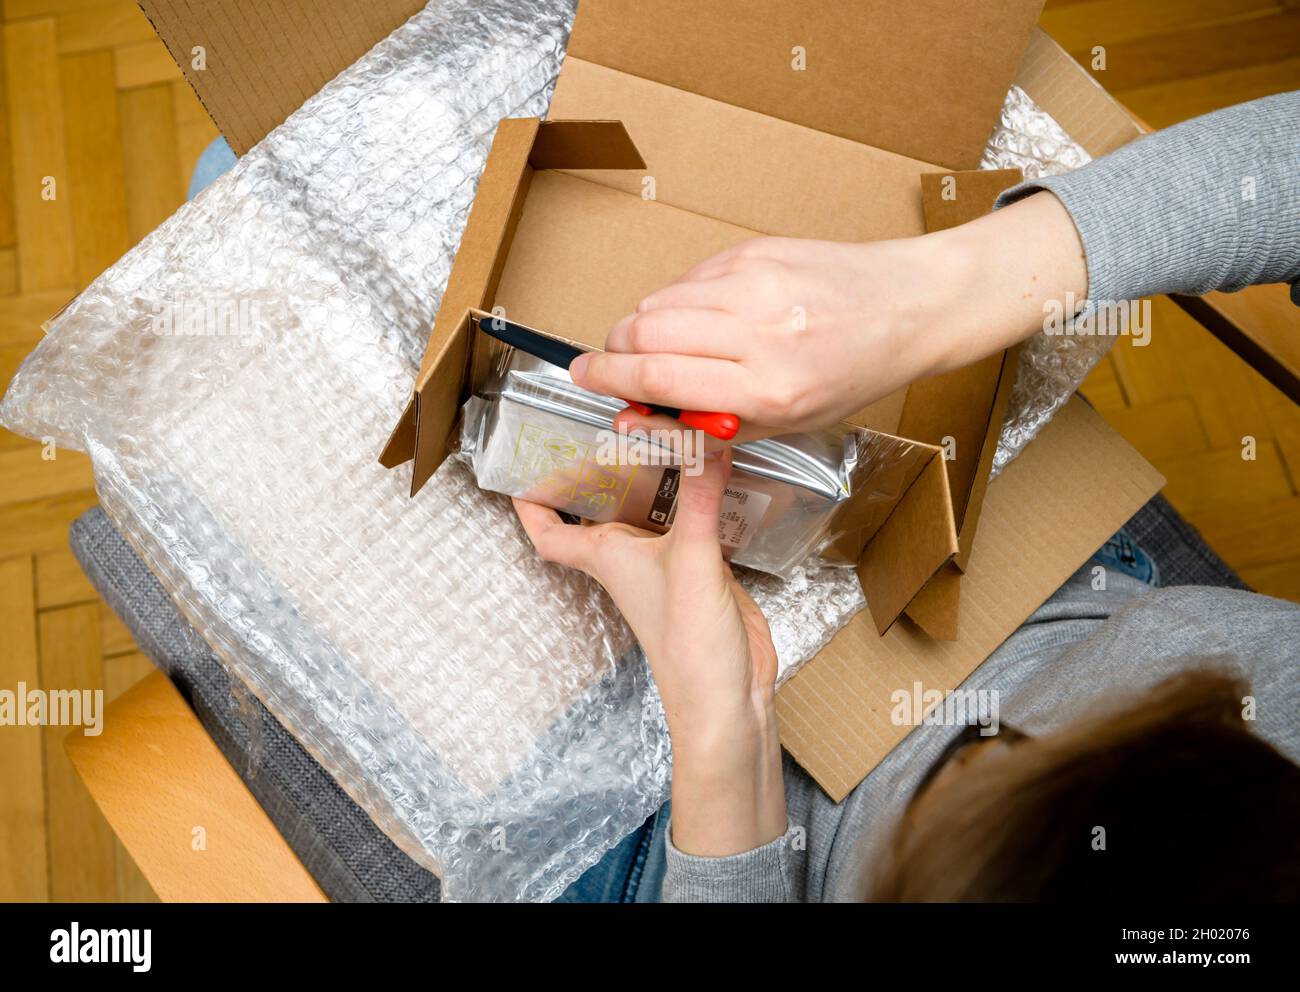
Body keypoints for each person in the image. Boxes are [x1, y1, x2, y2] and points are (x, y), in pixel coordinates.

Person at [529, 91, 1300, 902]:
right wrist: (930, 295)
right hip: (1039, 589)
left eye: (975, 780)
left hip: (695, 849)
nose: (985, 740)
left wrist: (724, 729)